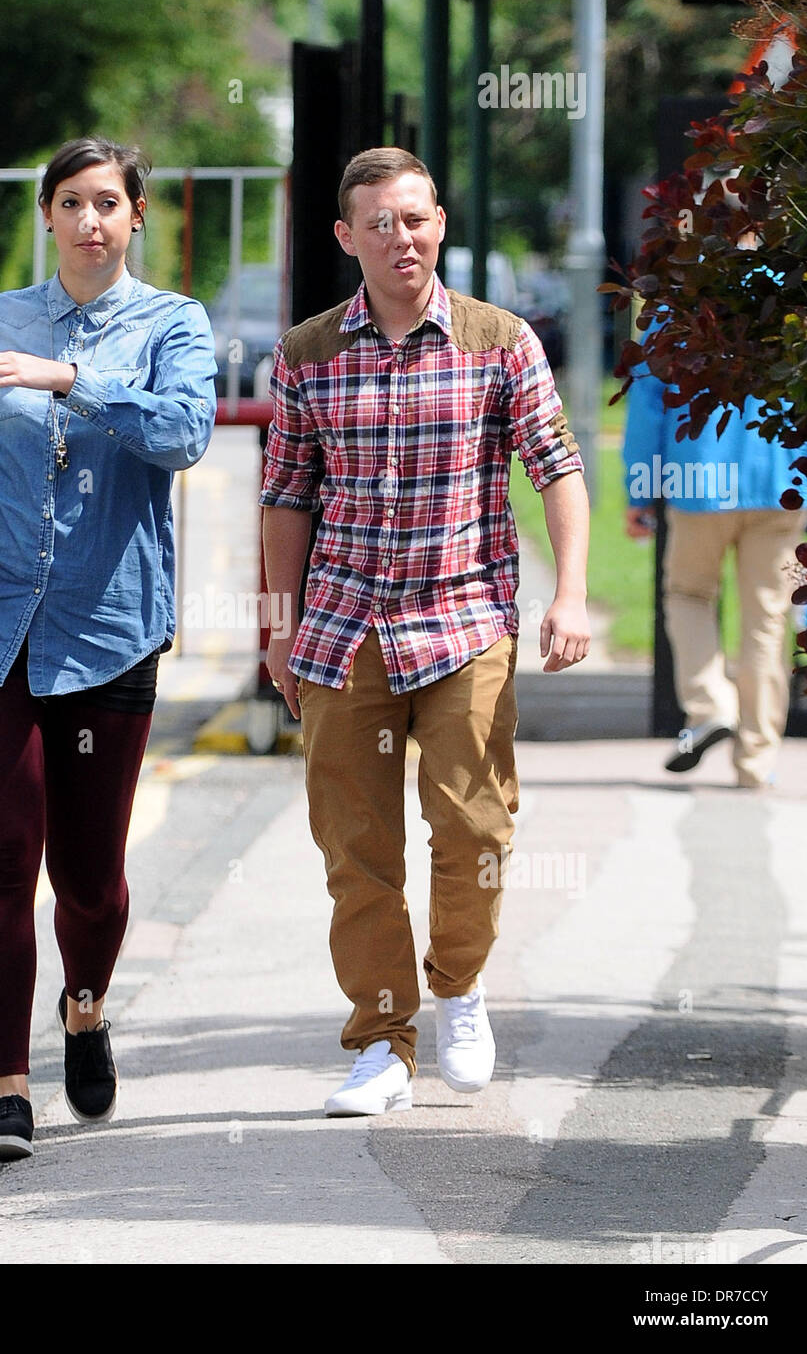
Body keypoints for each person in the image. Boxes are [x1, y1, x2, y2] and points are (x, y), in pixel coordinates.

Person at [0, 136, 216, 1161]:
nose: (89, 221)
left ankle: (84, 1001)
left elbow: (184, 434)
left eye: (108, 202)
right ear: (48, 215)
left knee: (89, 878)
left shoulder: (173, 323)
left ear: (136, 216)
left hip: (109, 628)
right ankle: (7, 1091)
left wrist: (69, 377)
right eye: (71, 202)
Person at [261, 147, 589, 1116]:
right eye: (378, 222)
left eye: (414, 218)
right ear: (345, 236)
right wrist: (277, 628)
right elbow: (286, 497)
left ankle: (459, 985)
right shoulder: (307, 352)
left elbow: (556, 467)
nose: (399, 238)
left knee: (473, 822)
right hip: (341, 631)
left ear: (438, 223)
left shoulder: (500, 340)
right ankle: (380, 1043)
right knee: (356, 850)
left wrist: (569, 594)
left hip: (465, 622)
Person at [623, 355, 807, 788]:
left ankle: (711, 707)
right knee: (767, 619)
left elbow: (648, 403)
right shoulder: (802, 294)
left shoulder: (675, 302)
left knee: (689, 595)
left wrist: (640, 490)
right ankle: (756, 761)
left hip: (698, 475)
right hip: (782, 479)